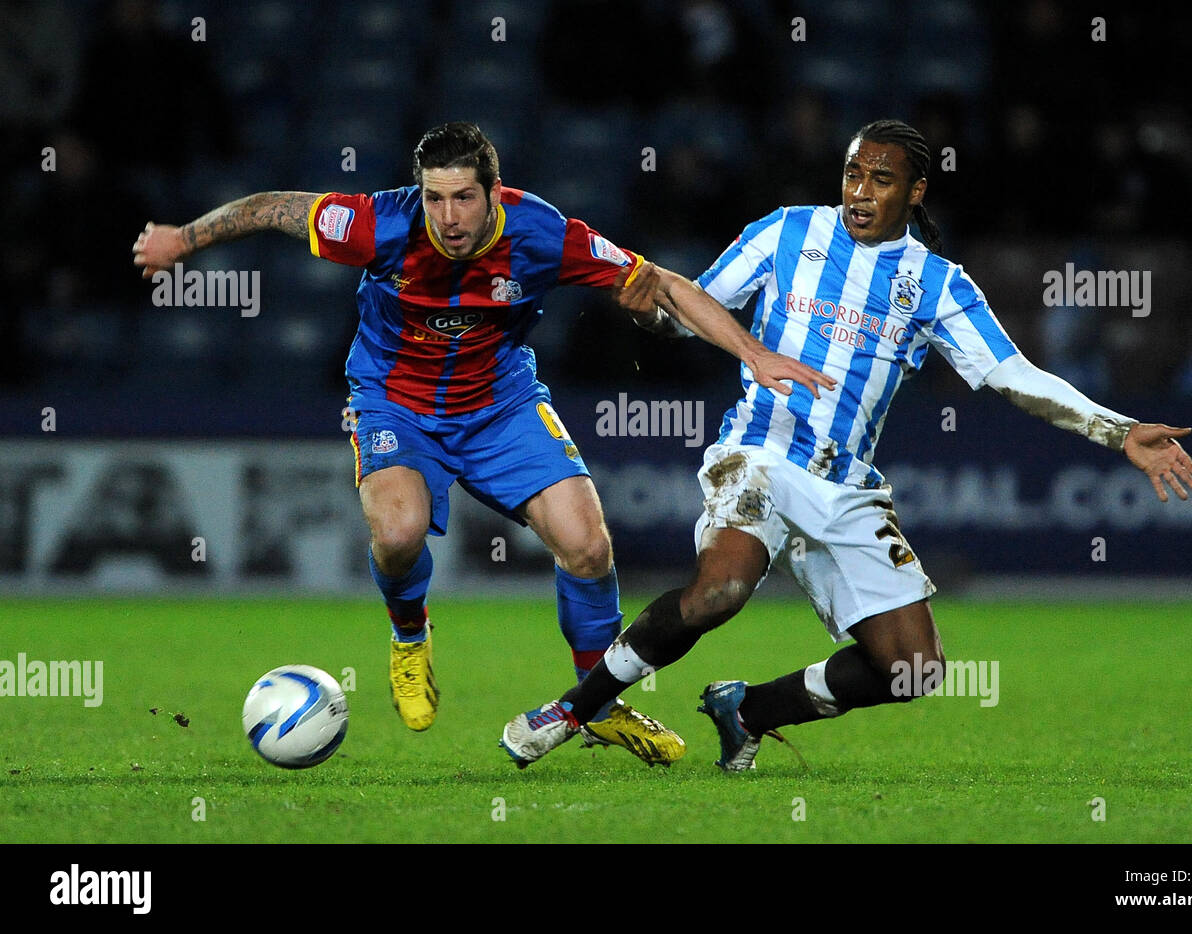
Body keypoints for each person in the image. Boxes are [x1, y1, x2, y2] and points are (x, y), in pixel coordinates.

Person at [501, 118, 1192, 770]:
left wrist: (1117, 430)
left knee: (915, 670)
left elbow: (1012, 375)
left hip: (845, 483)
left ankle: (749, 709)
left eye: (881, 179)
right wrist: (652, 313)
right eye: (852, 174)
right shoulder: (784, 233)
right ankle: (572, 712)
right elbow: (691, 314)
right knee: (721, 589)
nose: (861, 192)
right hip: (760, 454)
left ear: (915, 190)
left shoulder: (936, 282)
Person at [132, 121, 833, 767]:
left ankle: (598, 706)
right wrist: (181, 241)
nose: (449, 217)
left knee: (588, 547)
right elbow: (268, 208)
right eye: (435, 198)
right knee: (400, 533)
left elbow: (663, 287)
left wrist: (752, 353)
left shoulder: (543, 233)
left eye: (464, 197)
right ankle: (410, 636)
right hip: (394, 402)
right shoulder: (378, 224)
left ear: (494, 191)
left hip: (501, 405)